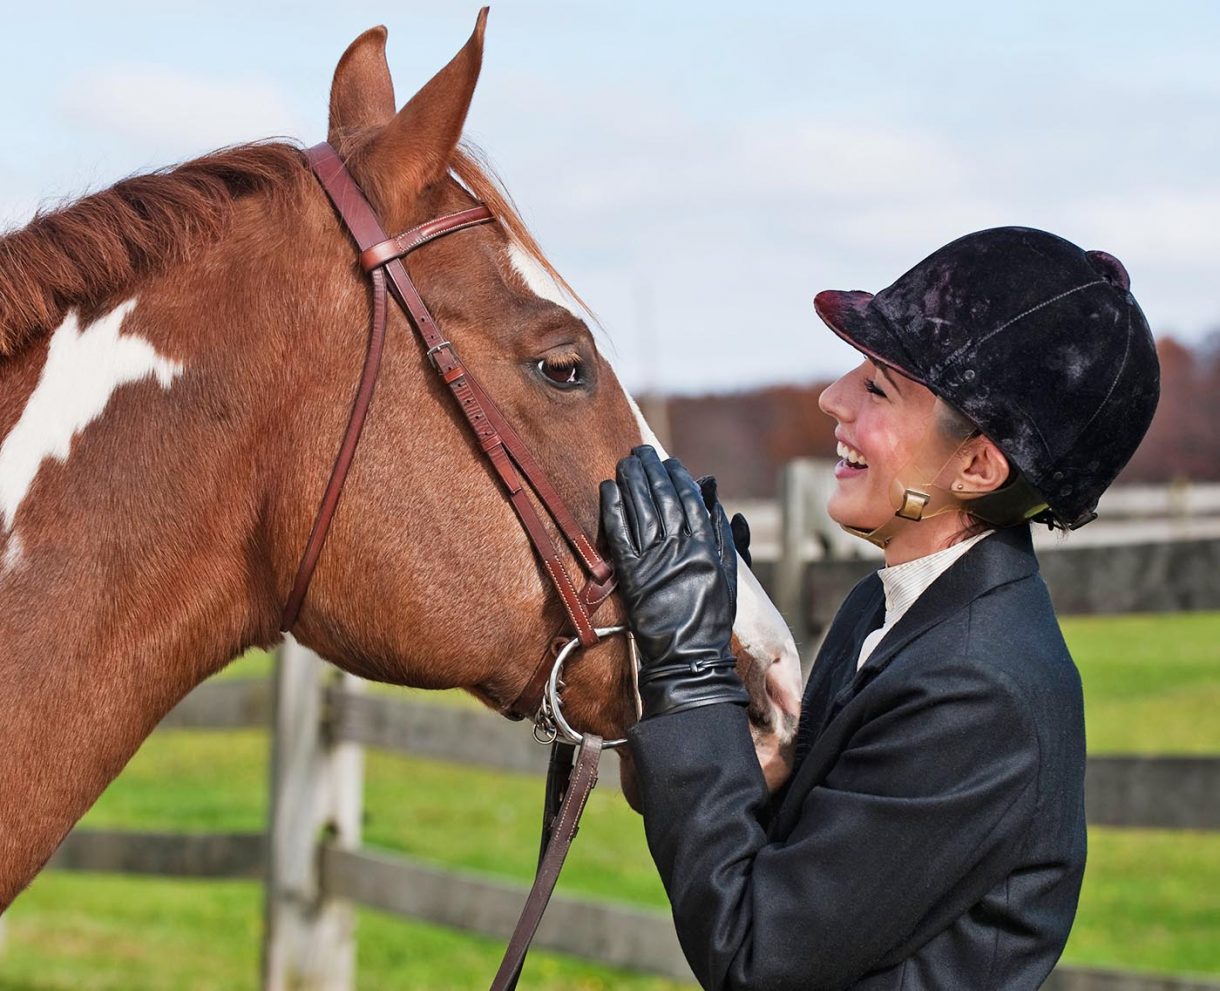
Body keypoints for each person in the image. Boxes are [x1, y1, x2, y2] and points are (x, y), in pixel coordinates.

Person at [600, 227, 1160, 990]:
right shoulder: (887, 609)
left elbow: (755, 952)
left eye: (879, 387)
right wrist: (751, 732)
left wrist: (688, 667)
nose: (834, 397)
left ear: (976, 464)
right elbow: (815, 874)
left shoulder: (976, 686)